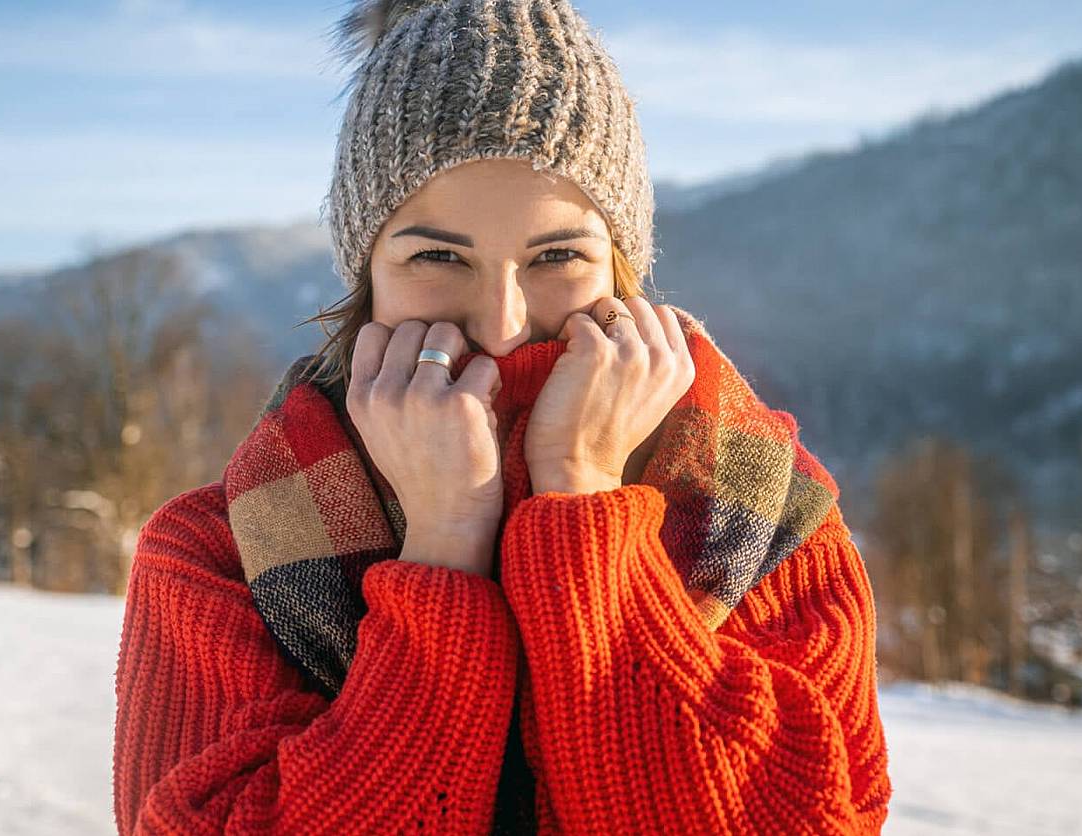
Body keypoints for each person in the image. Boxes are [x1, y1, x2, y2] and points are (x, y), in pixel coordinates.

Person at [111, 1, 891, 833]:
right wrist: (444, 547)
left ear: (623, 267)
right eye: (437, 256)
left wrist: (585, 504)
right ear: (364, 272)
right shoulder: (220, 553)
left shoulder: (768, 516)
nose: (504, 322)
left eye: (559, 256)